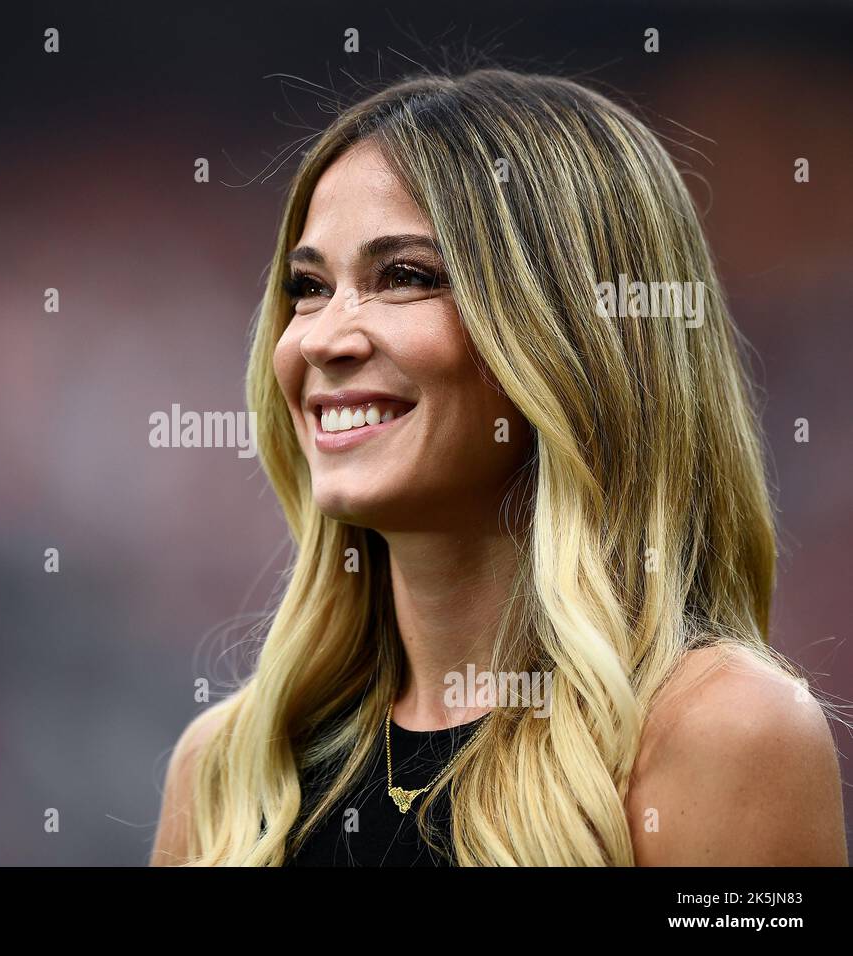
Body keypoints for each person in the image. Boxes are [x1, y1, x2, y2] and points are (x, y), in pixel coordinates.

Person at [151, 68, 847, 866]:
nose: (319, 338)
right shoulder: (229, 773)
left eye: (405, 276)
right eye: (308, 287)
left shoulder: (723, 732)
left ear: (577, 340)